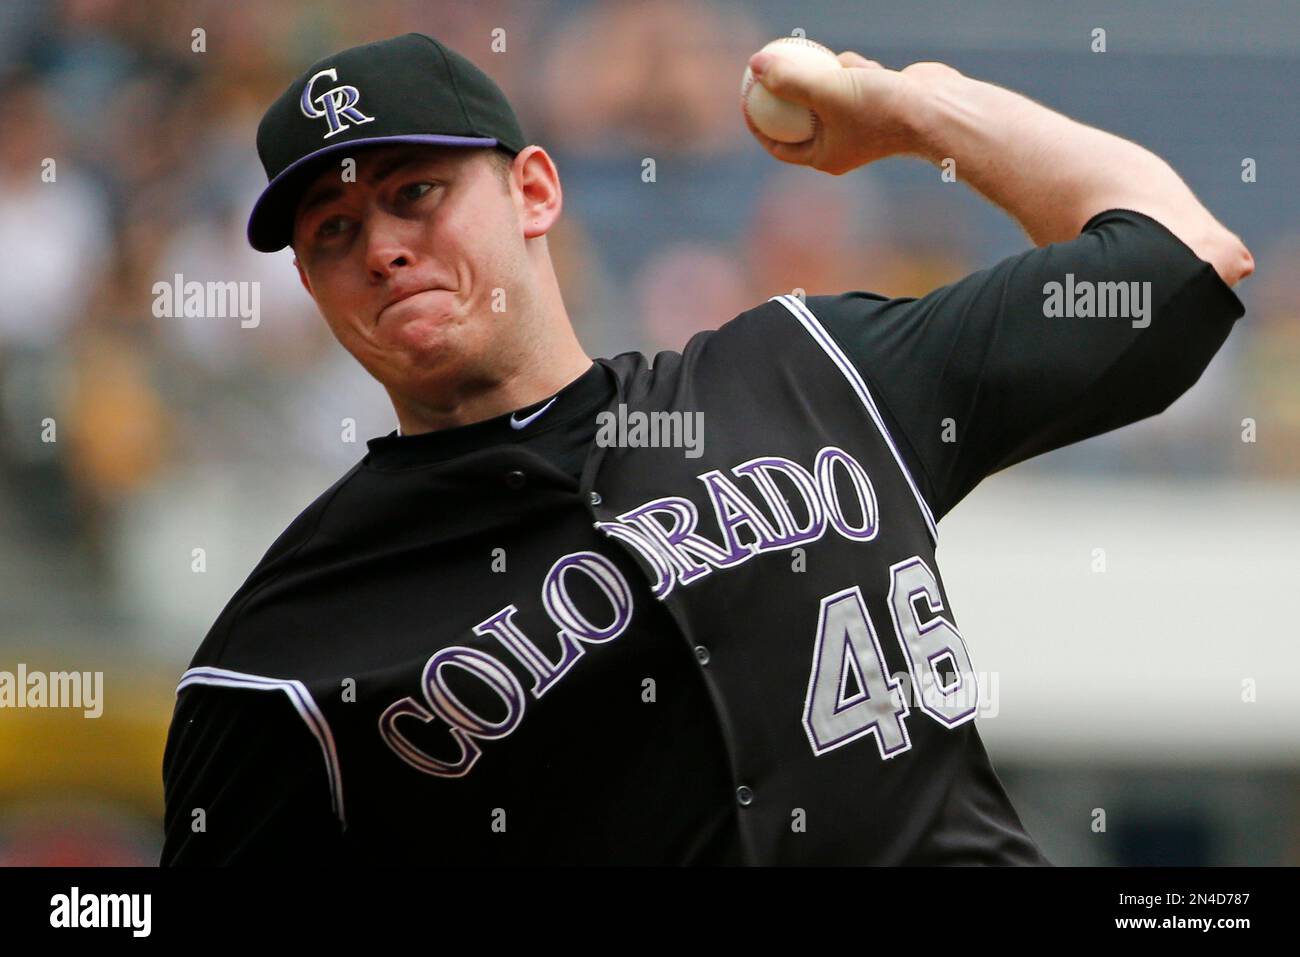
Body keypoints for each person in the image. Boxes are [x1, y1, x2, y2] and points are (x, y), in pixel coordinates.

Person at [161, 33, 1252, 865]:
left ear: (534, 191)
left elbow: (1178, 258)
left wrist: (914, 110)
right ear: (309, 284)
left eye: (414, 194)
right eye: (333, 234)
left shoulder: (810, 373)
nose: (385, 249)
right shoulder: (277, 663)